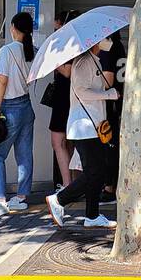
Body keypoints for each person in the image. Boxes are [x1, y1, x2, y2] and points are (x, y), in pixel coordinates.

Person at [46, 40, 119, 228]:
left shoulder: (95, 59)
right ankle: (59, 200)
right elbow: (81, 91)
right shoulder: (83, 61)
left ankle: (92, 216)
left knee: (97, 172)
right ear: (95, 41)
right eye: (106, 38)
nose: (109, 41)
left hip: (93, 125)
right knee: (94, 172)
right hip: (83, 126)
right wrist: (109, 94)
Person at [0, 11, 37, 218]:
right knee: (24, 154)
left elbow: (3, 81)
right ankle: (22, 197)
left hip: (10, 107)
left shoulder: (7, 50)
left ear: (13, 28)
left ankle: (0, 200)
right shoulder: (33, 51)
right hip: (27, 106)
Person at [47, 10, 80, 189]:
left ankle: (68, 185)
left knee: (58, 141)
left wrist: (52, 59)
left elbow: (67, 71)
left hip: (64, 97)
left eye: (57, 24)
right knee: (70, 141)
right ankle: (74, 182)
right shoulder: (82, 42)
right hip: (73, 96)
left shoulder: (68, 44)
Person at [97, 31, 126, 206]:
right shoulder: (119, 46)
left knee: (108, 144)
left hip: (109, 104)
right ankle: (112, 185)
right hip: (119, 102)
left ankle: (109, 188)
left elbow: (107, 80)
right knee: (113, 144)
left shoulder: (107, 49)